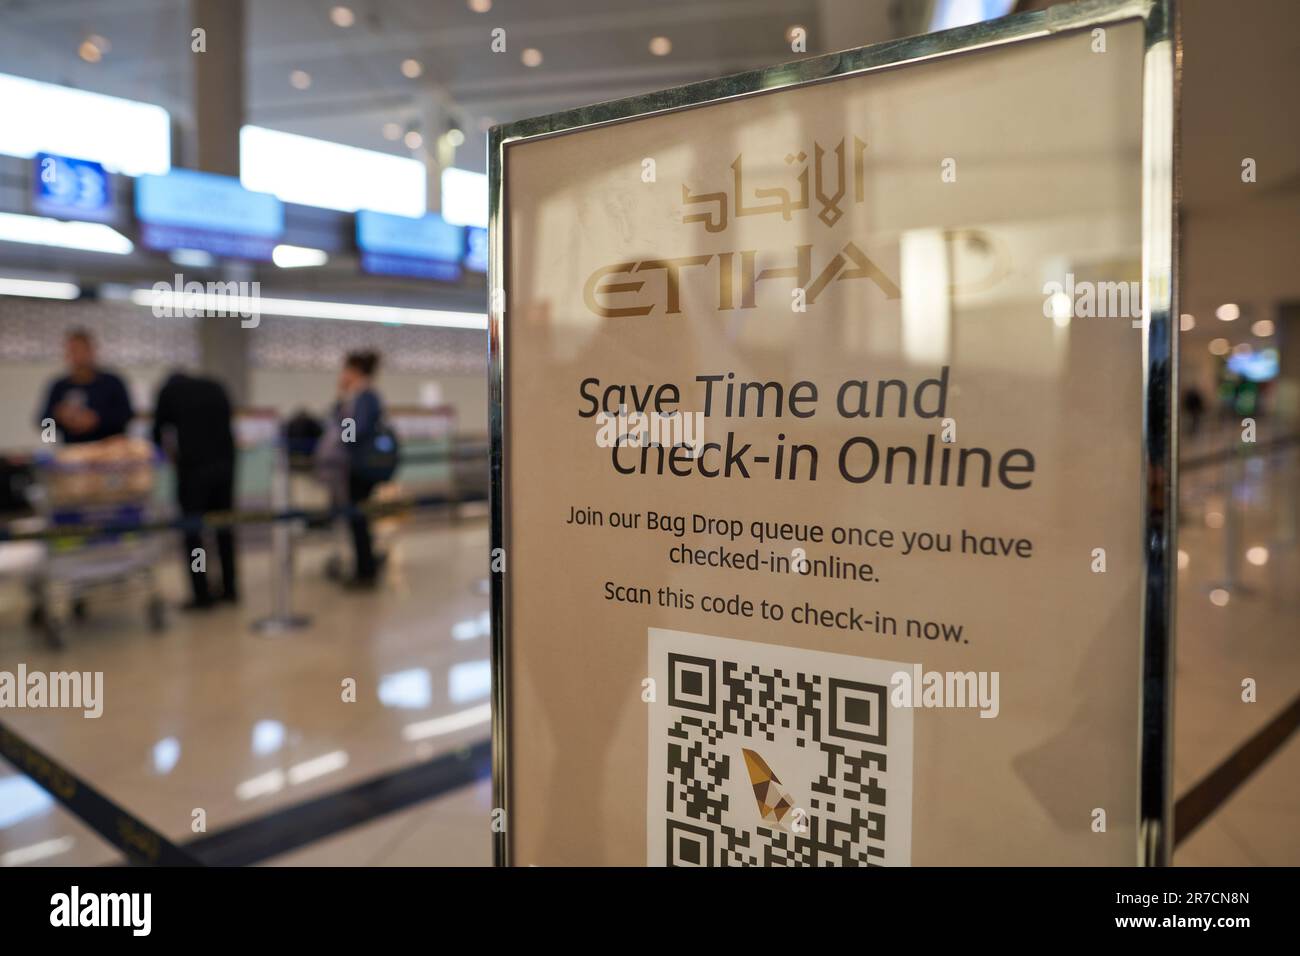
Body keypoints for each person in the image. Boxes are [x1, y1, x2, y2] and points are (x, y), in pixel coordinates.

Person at [153, 370, 238, 610]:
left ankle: (202, 593)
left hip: (193, 472)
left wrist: (169, 457)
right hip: (225, 467)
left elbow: (158, 432)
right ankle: (230, 588)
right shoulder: (216, 385)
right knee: (224, 530)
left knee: (194, 535)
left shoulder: (169, 391)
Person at [319, 351, 386, 588]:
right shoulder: (356, 397)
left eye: (346, 370)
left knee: (359, 519)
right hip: (354, 466)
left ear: (356, 371)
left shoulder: (365, 397)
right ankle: (364, 565)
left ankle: (365, 571)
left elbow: (352, 433)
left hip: (359, 466)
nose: (342, 375)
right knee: (358, 519)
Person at [38, 328, 133, 443]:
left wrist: (96, 420)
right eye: (73, 350)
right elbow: (44, 424)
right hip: (73, 450)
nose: (78, 356)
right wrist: (58, 416)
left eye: (82, 350)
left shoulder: (112, 382)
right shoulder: (59, 386)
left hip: (109, 450)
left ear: (92, 351)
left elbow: (126, 416)